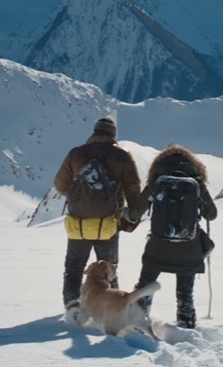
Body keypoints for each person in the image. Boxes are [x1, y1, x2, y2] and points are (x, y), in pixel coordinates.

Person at [53, 116, 143, 321]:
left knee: (75, 265)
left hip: (78, 223)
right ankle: (113, 306)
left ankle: (73, 305)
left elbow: (60, 185)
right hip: (108, 223)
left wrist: (80, 196)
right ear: (113, 134)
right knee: (109, 268)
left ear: (94, 132)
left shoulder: (77, 153)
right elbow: (133, 189)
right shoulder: (122, 156)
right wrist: (131, 215)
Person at [128, 144, 218, 329]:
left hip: (157, 247)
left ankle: (137, 325)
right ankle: (186, 327)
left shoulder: (157, 181)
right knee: (185, 294)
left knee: (145, 287)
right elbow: (212, 214)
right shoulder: (196, 182)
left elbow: (135, 213)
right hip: (189, 248)